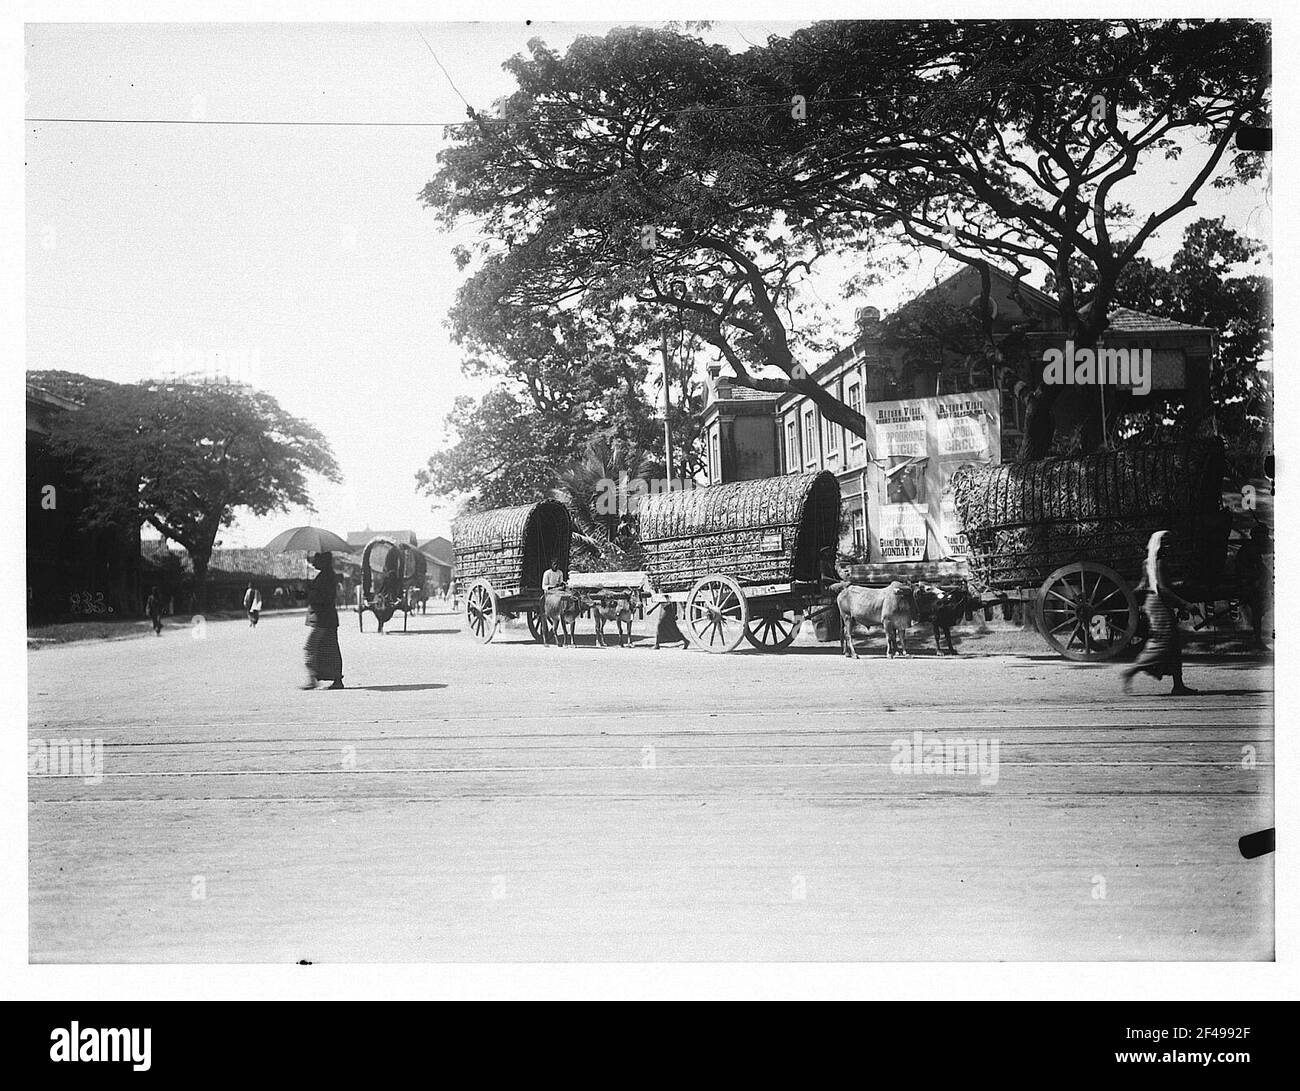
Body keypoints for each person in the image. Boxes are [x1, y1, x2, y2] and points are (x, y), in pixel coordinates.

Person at [1122, 530, 1196, 696]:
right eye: (1165, 543)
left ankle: (1178, 685)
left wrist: (1129, 598)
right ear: (1159, 546)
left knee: (1174, 644)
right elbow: (1161, 588)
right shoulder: (1160, 563)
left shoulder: (1147, 562)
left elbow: (1143, 585)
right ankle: (1132, 670)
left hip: (1153, 603)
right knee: (1163, 642)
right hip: (1159, 605)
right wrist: (1185, 604)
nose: (1168, 547)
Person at [302, 552, 344, 690]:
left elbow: (323, 598)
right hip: (327, 618)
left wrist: (310, 591)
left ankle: (312, 679)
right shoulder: (327, 576)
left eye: (317, 560)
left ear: (324, 561)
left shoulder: (325, 577)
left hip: (322, 619)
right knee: (330, 649)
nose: (314, 563)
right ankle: (336, 680)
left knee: (309, 647)